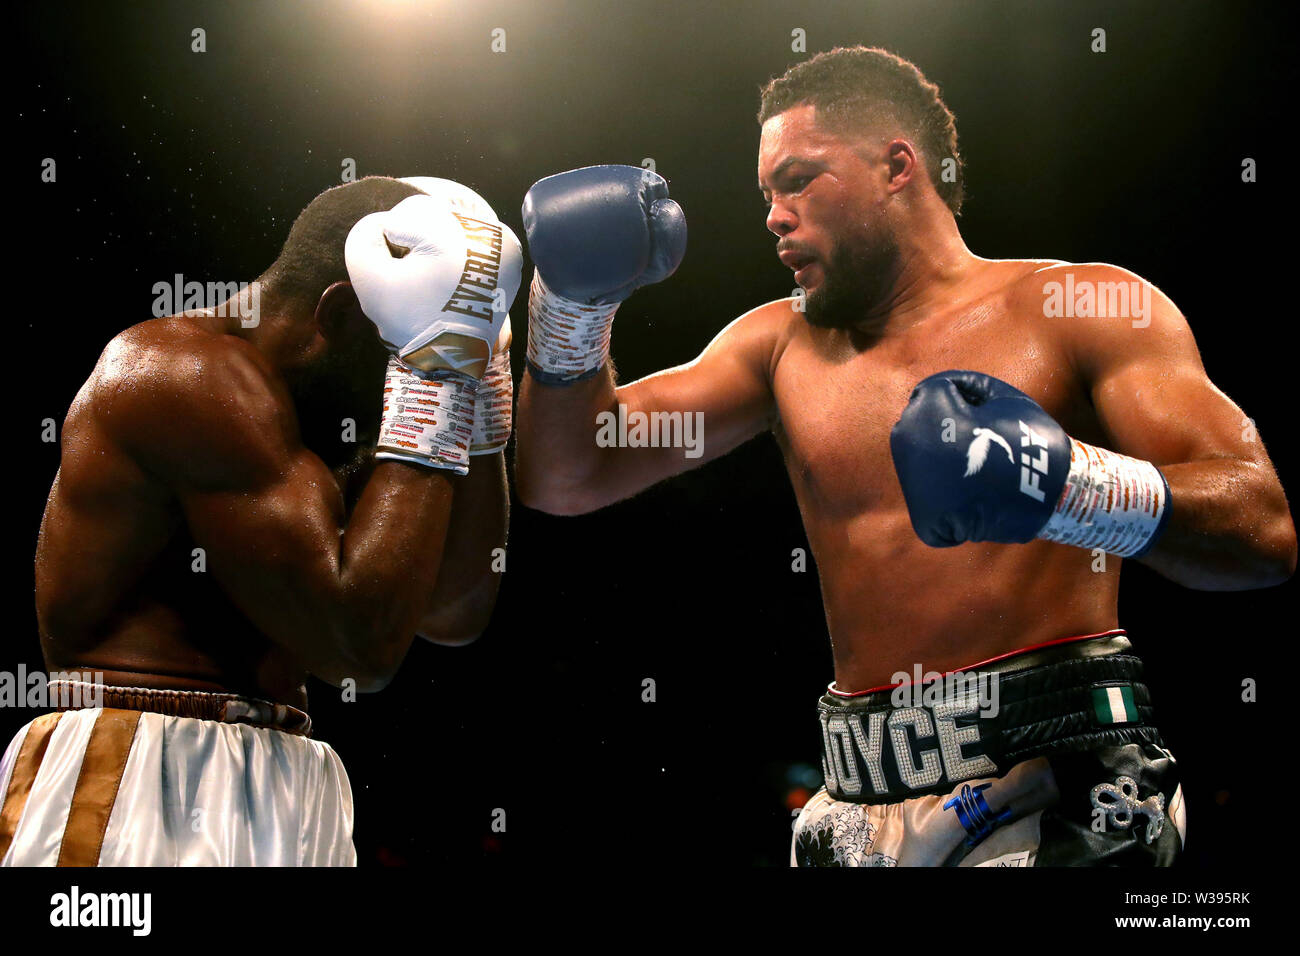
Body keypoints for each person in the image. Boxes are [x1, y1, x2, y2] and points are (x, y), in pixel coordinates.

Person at [513, 47, 1295, 866]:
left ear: (897, 167)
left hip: (1055, 781)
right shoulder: (778, 347)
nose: (774, 215)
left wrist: (1067, 486)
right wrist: (569, 306)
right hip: (856, 802)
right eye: (766, 193)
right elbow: (567, 475)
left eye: (798, 179)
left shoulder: (1079, 309)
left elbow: (1262, 526)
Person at [0, 176, 520, 866]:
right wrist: (435, 377)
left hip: (290, 780)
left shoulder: (320, 416)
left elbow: (453, 612)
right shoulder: (182, 372)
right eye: (399, 351)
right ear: (337, 317)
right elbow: (358, 648)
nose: (402, 379)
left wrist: (477, 389)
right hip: (138, 779)